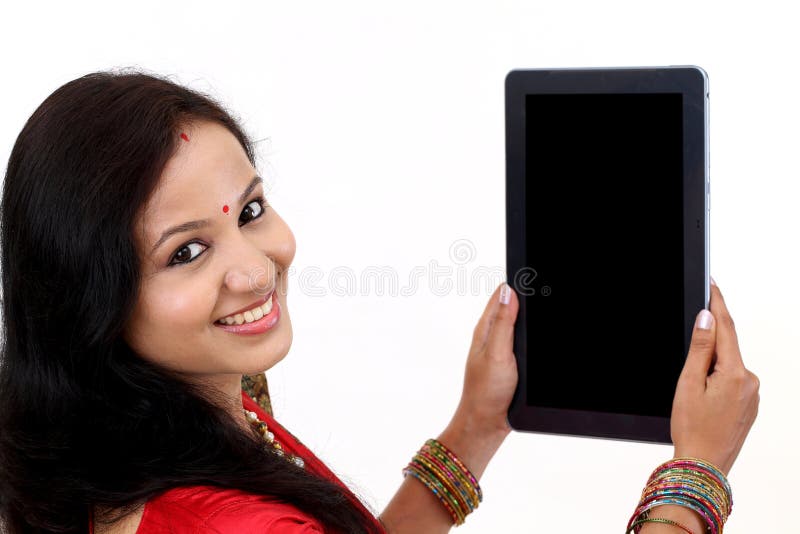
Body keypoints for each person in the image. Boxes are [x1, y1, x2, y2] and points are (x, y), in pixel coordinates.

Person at [0, 70, 759, 534]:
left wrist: (474, 429)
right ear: (87, 300)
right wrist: (695, 477)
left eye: (252, 210)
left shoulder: (159, 422)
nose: (254, 270)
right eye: (186, 252)